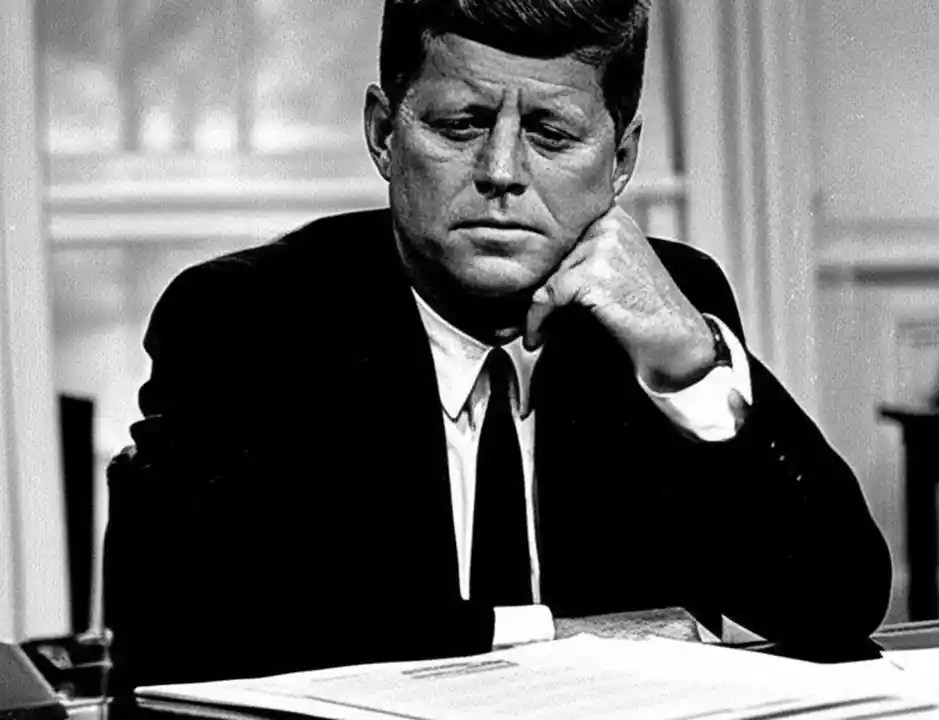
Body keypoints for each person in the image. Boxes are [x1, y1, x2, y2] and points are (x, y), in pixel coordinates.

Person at [104, 0, 891, 692]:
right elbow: (171, 637)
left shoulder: (665, 308)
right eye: (462, 125)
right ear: (384, 133)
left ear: (620, 161)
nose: (502, 173)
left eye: (551, 134)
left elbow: (837, 603)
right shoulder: (247, 319)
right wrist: (548, 636)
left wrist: (688, 361)